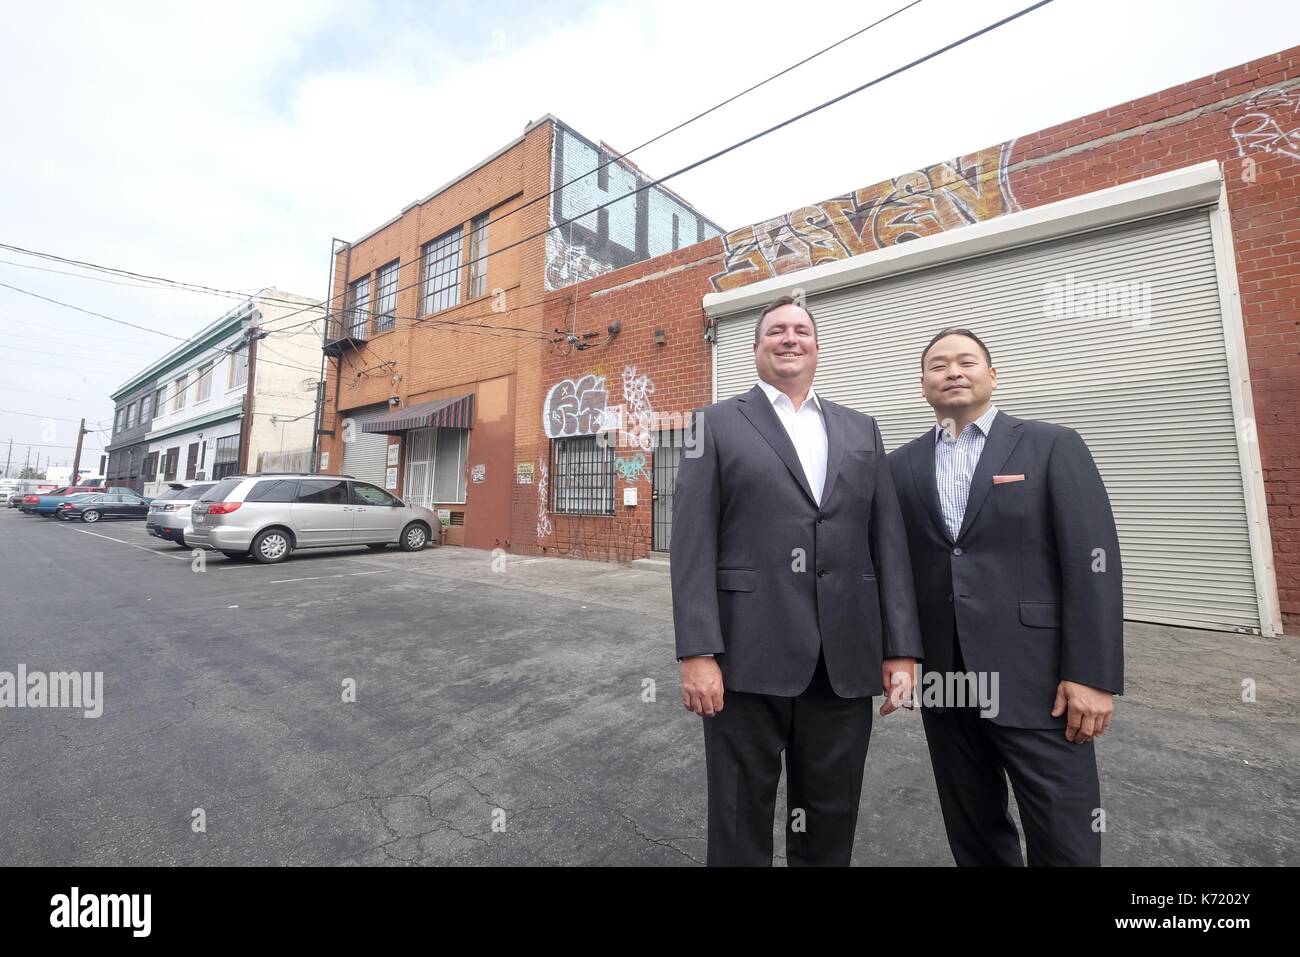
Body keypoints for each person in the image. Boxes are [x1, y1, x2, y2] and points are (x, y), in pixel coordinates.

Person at [670, 295, 922, 866]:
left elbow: (888, 546)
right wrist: (697, 652)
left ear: (816, 346)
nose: (790, 338)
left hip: (843, 663)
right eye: (776, 330)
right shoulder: (710, 424)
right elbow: (691, 546)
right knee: (738, 816)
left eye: (802, 330)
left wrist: (901, 649)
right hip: (744, 659)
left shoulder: (862, 430)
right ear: (755, 348)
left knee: (831, 817)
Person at [887, 328, 1124, 866]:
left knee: (1065, 836)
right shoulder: (900, 465)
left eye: (966, 361)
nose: (952, 371)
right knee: (973, 829)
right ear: (922, 384)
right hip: (947, 680)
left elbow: (1093, 566)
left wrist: (1092, 674)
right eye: (938, 365)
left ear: (992, 375)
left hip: (1038, 678)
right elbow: (894, 570)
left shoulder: (1050, 445)